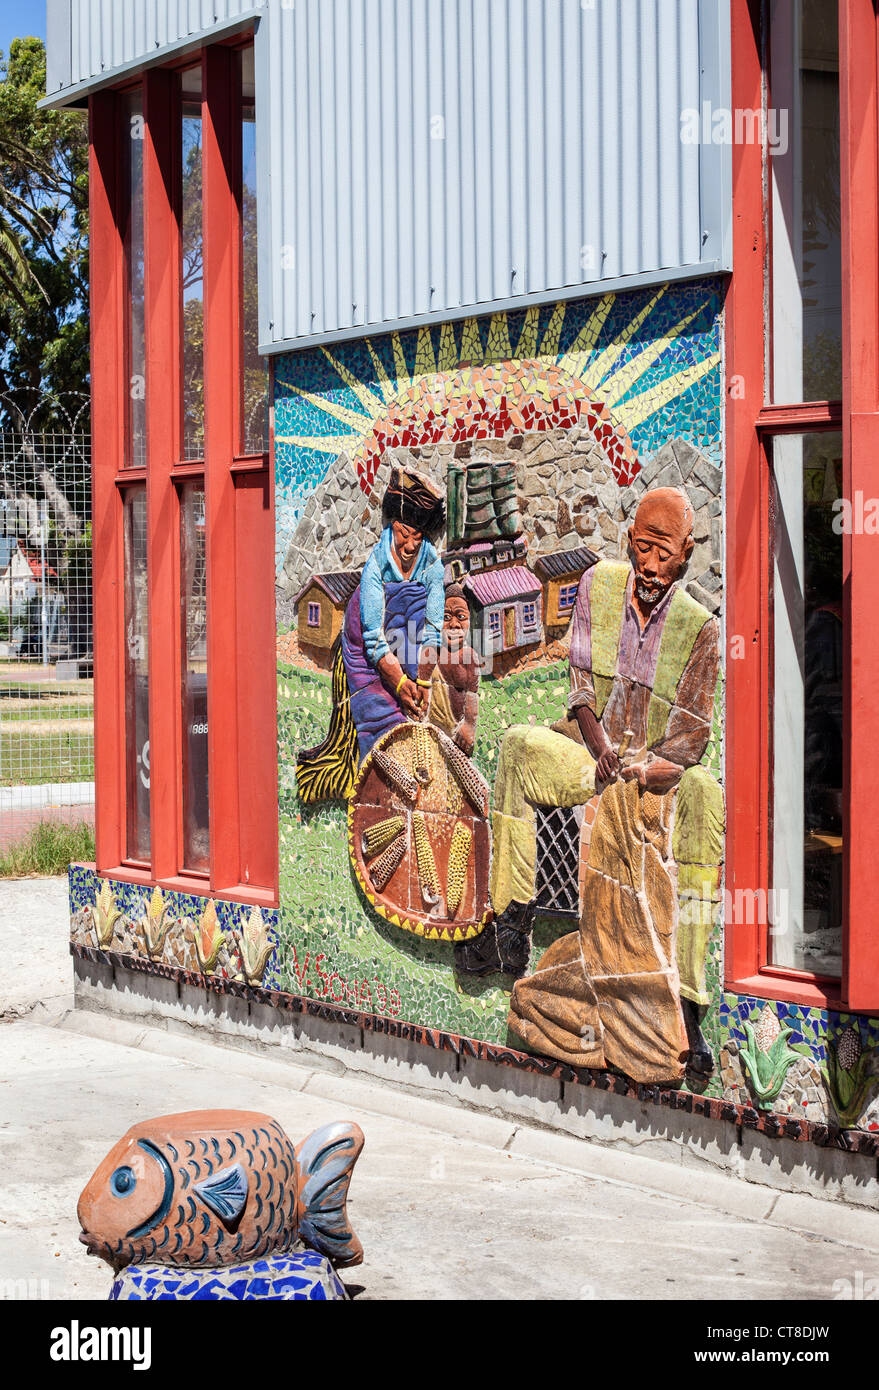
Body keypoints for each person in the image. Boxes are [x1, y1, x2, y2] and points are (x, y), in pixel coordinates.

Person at [455, 486, 723, 1082]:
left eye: (664, 553)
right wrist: (600, 750)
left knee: (706, 795)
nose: (650, 565)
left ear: (685, 554)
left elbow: (690, 739)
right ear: (629, 541)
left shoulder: (700, 628)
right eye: (642, 548)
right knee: (521, 747)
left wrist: (640, 768)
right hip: (592, 753)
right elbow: (578, 688)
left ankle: (690, 1008)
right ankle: (510, 927)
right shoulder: (597, 586)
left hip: (654, 773)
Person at [420, 583, 481, 755]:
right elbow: (421, 684)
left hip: (457, 737)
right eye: (446, 617)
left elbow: (472, 695)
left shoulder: (469, 657)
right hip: (430, 733)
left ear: (470, 620)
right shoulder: (431, 652)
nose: (454, 624)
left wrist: (468, 725)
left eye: (460, 616)